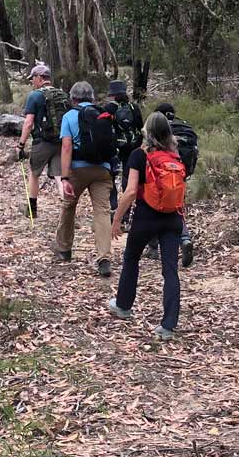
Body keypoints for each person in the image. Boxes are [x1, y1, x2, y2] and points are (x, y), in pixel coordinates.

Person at [107, 112, 185, 340]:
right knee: (170, 270)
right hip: (172, 218)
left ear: (147, 132)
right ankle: (168, 325)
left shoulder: (139, 155)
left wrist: (117, 218)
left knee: (131, 257)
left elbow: (131, 191)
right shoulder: (175, 157)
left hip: (146, 216)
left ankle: (123, 305)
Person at [56, 81, 116, 276]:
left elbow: (66, 147)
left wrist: (65, 177)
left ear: (72, 99)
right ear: (92, 98)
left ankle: (64, 249)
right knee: (102, 211)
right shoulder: (102, 114)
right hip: (102, 169)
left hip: (78, 170)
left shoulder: (68, 116)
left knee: (68, 205)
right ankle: (104, 257)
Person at [18, 63, 67, 219]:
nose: (32, 81)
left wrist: (21, 144)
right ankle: (67, 210)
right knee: (60, 176)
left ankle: (32, 210)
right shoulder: (61, 94)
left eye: (33, 78)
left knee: (34, 174)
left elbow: (28, 122)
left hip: (42, 142)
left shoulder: (35, 96)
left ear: (39, 78)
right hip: (60, 142)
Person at [164, 103, 200, 268]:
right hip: (181, 174)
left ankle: (152, 246)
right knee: (177, 208)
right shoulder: (184, 127)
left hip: (162, 175)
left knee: (155, 208)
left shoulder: (161, 129)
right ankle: (184, 238)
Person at [103, 79, 142, 212]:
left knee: (111, 177)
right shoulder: (134, 108)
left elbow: (103, 127)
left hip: (114, 148)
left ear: (112, 94)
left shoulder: (109, 108)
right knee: (128, 178)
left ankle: (114, 207)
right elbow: (140, 127)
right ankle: (127, 209)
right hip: (131, 147)